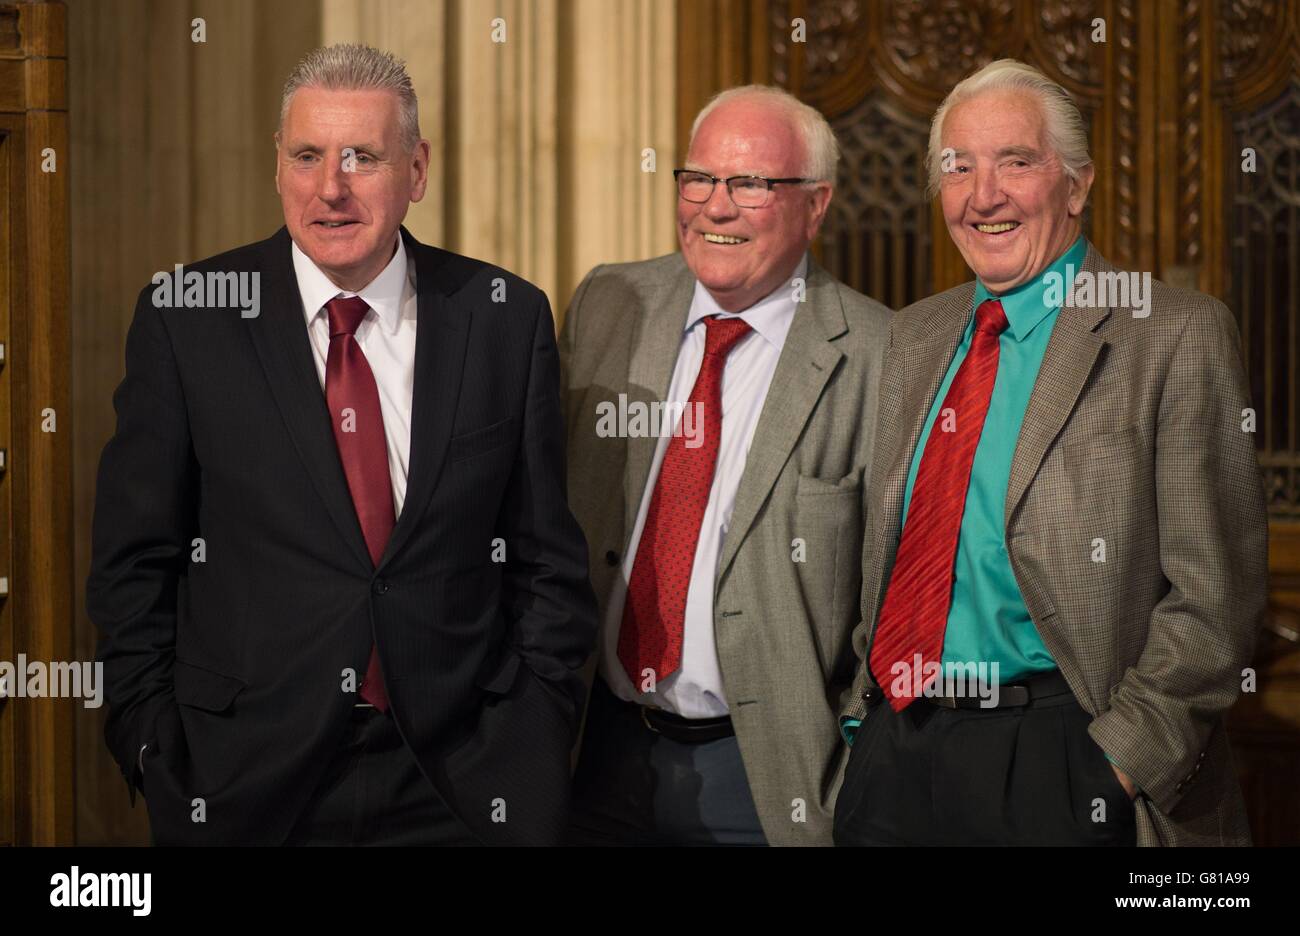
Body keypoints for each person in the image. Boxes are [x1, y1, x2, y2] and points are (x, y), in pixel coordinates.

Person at [87, 43, 597, 846]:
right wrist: (154, 745)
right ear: (280, 168)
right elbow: (133, 564)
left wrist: (532, 734)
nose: (331, 187)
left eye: (362, 156)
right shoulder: (188, 316)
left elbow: (544, 560)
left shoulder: (503, 317)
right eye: (308, 156)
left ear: (417, 170)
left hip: (460, 782)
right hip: (244, 781)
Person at [834, 59, 1267, 846]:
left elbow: (1217, 598)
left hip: (1061, 760)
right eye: (957, 167)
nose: (983, 194)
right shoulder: (913, 337)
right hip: (897, 758)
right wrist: (867, 731)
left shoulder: (1169, 334)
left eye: (1016, 162)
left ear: (1077, 184)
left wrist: (1115, 764)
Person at [561, 85, 891, 845]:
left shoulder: (880, 354)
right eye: (699, 179)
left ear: (816, 205)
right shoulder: (609, 303)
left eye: (750, 184)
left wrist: (849, 750)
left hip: (768, 780)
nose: (715, 207)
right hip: (594, 748)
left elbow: (894, 591)